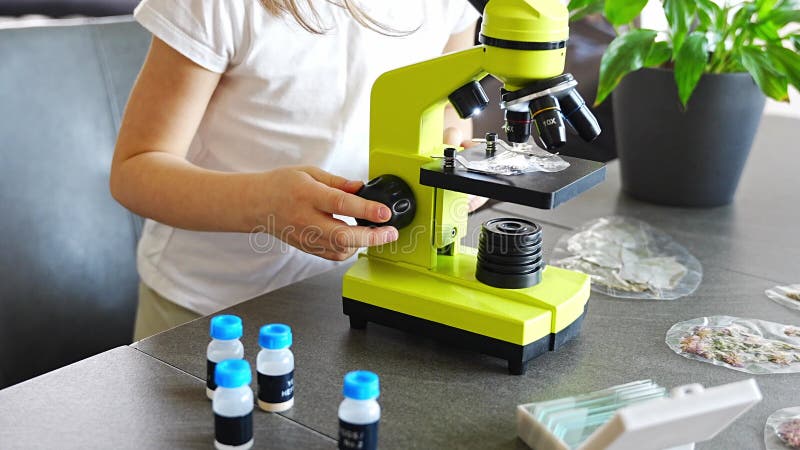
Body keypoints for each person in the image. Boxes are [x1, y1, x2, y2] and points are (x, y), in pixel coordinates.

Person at [110, 0, 481, 340]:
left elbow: (450, 111)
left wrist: (453, 164)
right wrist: (264, 205)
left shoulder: (448, 6)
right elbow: (135, 169)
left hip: (352, 296)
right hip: (207, 306)